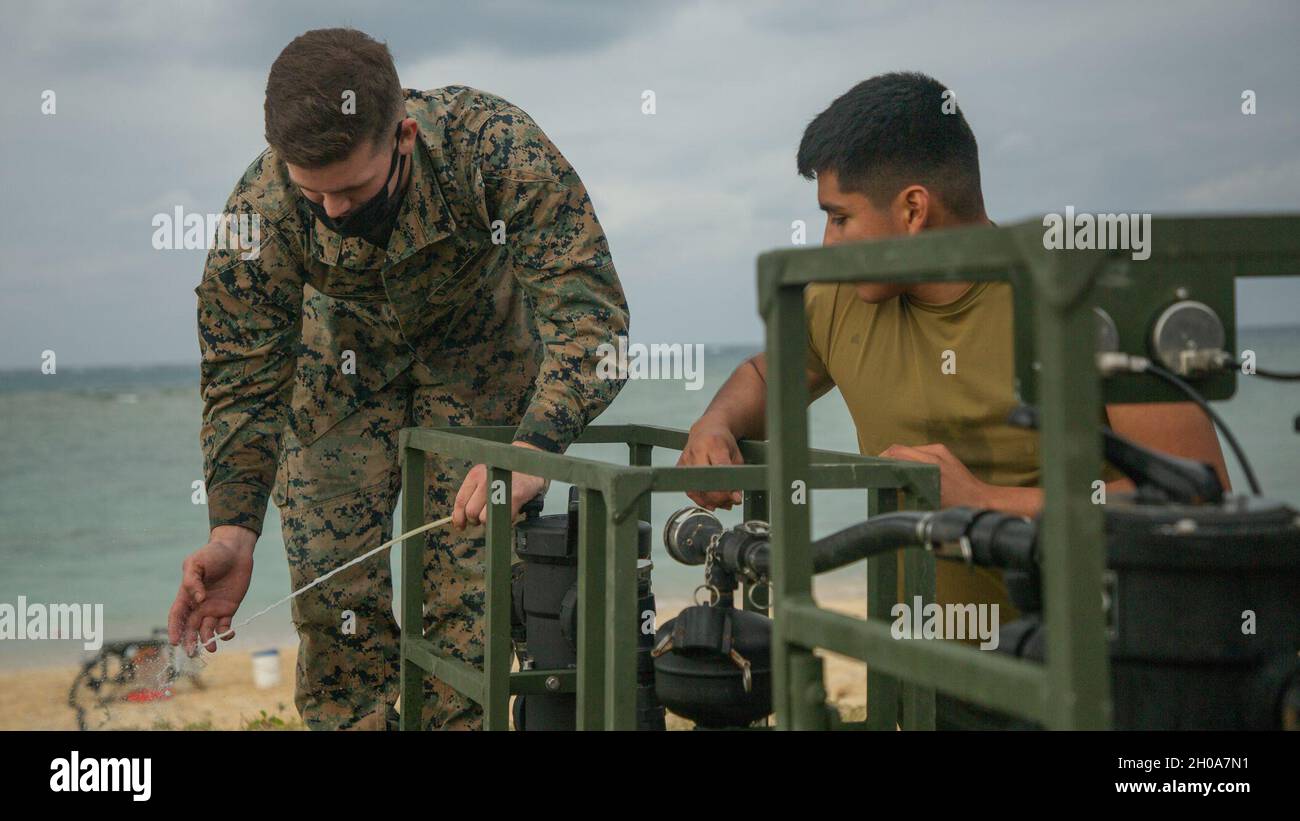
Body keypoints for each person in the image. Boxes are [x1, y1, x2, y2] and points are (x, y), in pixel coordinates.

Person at [167, 28, 629, 730]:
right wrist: (233, 529)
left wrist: (536, 449)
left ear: (404, 135)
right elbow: (242, 372)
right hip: (340, 369)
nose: (333, 210)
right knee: (334, 600)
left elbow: (592, 324)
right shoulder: (260, 208)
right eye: (311, 192)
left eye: (351, 187)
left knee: (471, 602)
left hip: (481, 359)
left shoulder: (494, 145)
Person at [678, 71, 1228, 646]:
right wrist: (716, 423)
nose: (827, 244)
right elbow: (766, 375)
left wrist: (987, 505)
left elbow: (1196, 500)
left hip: (1090, 679)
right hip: (921, 684)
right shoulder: (841, 299)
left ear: (914, 209)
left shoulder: (1092, 301)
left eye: (840, 217)